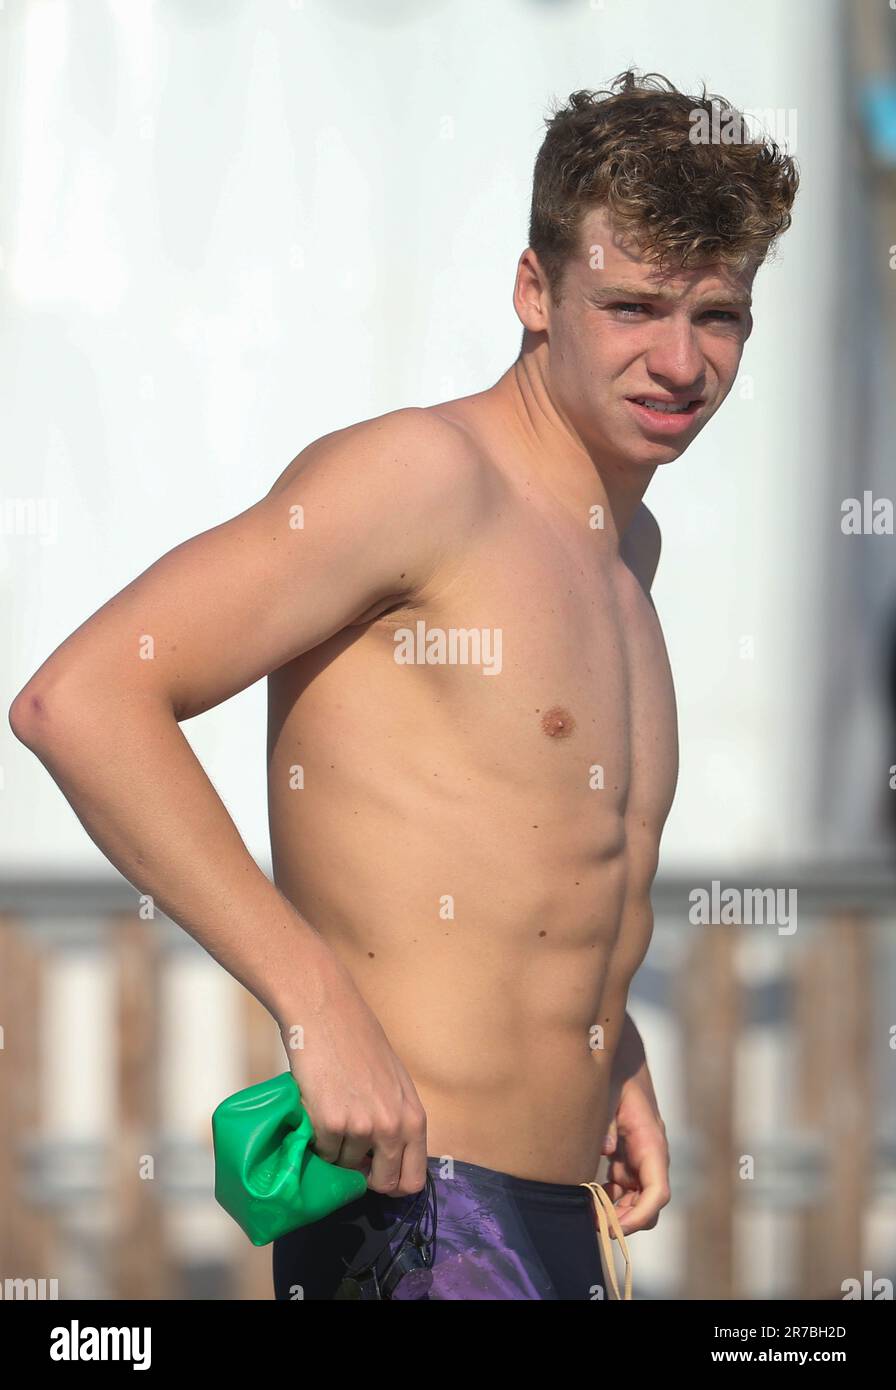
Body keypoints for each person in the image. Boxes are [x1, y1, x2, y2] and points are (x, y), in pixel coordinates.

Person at [9, 69, 798, 1300]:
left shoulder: (622, 548)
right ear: (534, 292)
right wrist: (316, 1006)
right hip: (417, 1219)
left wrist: (611, 1047)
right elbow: (85, 699)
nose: (679, 360)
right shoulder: (420, 479)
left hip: (560, 1211)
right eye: (632, 306)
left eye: (720, 316)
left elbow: (521, 850)